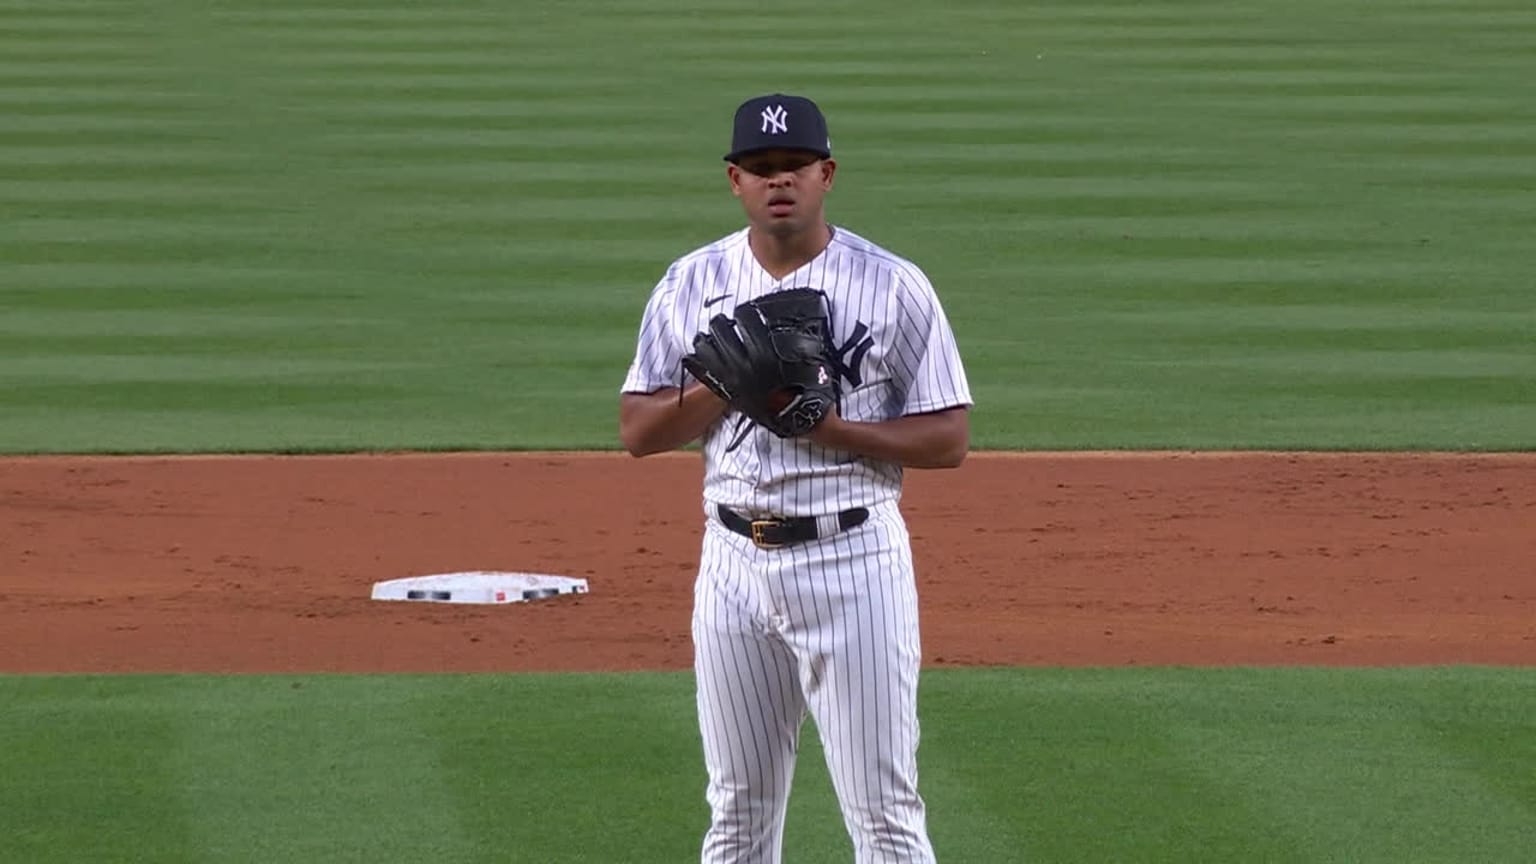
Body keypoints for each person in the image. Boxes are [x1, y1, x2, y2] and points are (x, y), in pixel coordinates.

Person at [618, 92, 973, 864]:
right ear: (734, 181)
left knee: (883, 813)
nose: (779, 180)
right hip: (732, 567)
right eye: (761, 168)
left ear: (827, 174)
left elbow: (949, 438)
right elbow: (639, 432)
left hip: (854, 562)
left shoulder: (894, 285)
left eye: (794, 167)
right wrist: (726, 382)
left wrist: (827, 425)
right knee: (737, 813)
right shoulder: (690, 281)